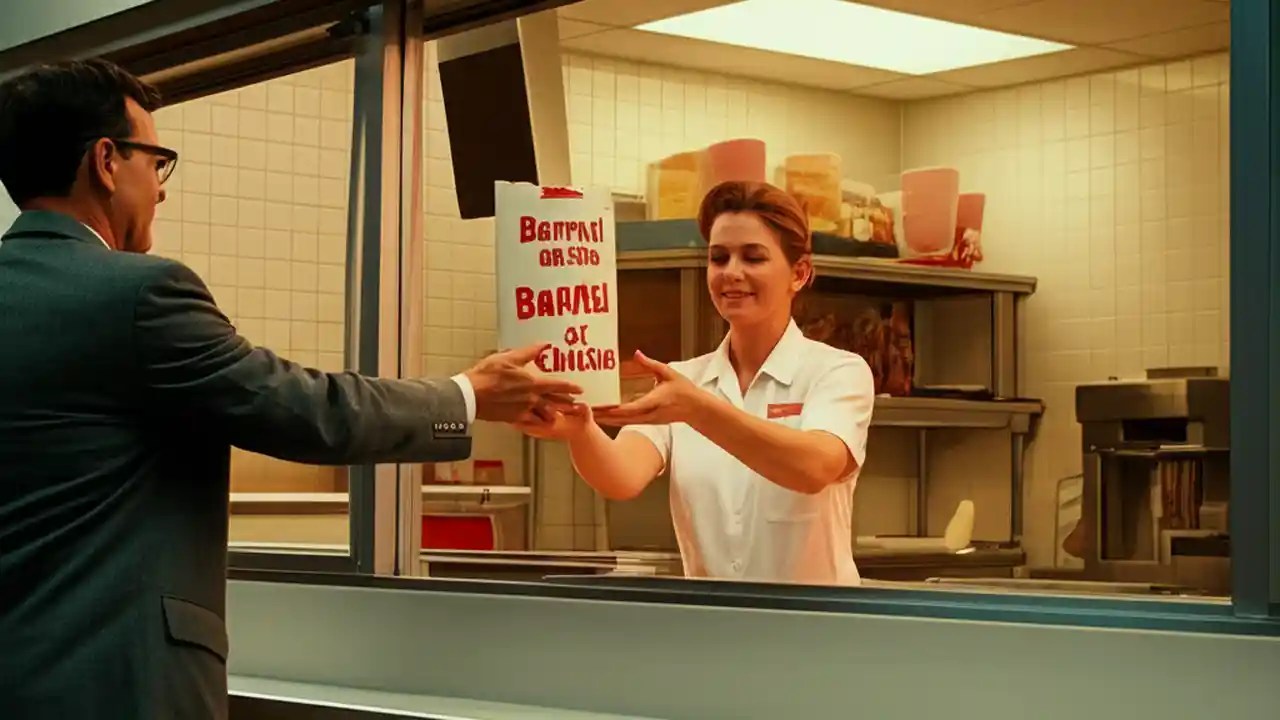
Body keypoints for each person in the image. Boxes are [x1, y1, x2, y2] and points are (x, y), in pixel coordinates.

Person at [0, 59, 580, 719]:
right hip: (116, 686)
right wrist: (469, 395)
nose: (161, 191)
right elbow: (304, 411)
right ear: (106, 162)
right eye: (155, 162)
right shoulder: (138, 295)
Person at [522, 180, 875, 587]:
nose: (731, 273)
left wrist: (697, 409)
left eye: (753, 257)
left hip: (815, 635)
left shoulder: (837, 372)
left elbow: (815, 466)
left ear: (799, 273)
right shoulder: (685, 380)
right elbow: (621, 476)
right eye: (719, 258)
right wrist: (580, 428)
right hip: (712, 629)